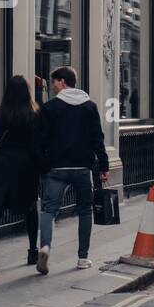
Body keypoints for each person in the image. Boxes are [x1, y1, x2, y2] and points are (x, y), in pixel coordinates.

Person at [33, 66, 109, 275]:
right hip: (83, 168)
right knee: (85, 211)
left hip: (57, 168)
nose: (54, 86)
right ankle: (83, 258)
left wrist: (43, 165)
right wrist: (104, 165)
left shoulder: (49, 108)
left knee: (49, 210)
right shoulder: (89, 107)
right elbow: (97, 138)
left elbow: (40, 141)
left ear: (63, 82)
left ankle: (46, 246)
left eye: (55, 82)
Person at [0, 76, 41, 273]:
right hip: (25, 165)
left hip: (3, 162)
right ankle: (33, 251)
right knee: (30, 207)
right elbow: (35, 143)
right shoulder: (33, 114)